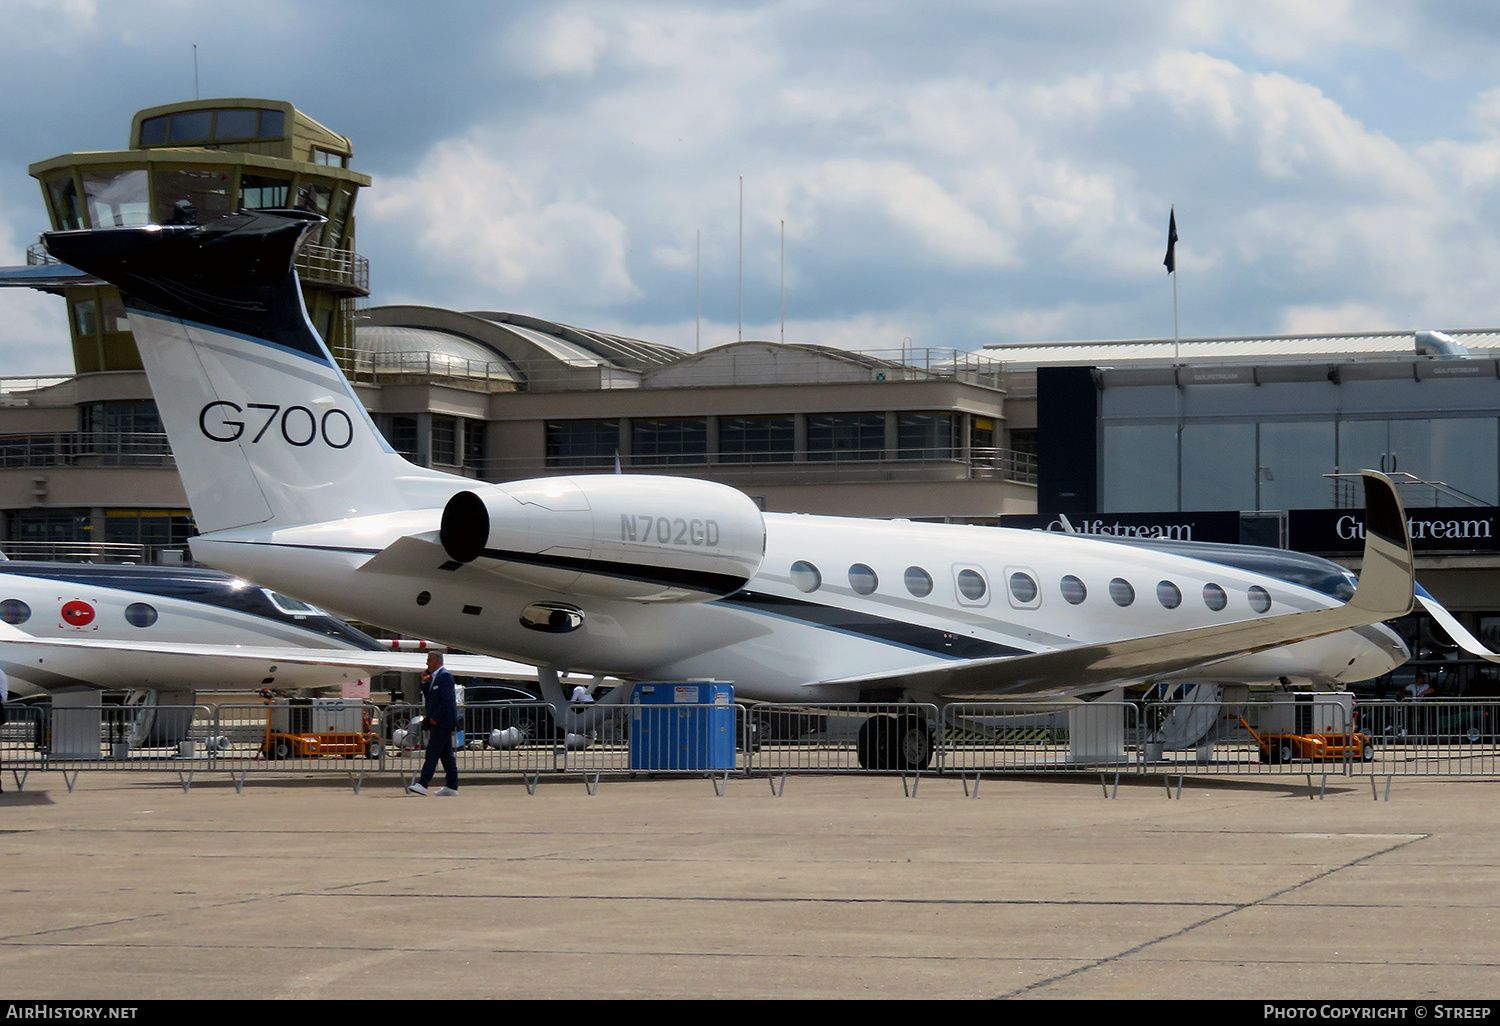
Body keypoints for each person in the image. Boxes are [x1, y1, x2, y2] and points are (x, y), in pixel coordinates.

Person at [409, 652, 458, 796]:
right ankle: (452, 786)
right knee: (446, 755)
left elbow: (447, 700)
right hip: (437, 721)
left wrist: (436, 717)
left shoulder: (445, 676)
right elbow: (430, 697)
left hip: (443, 722)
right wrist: (425, 683)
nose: (427, 664)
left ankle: (423, 783)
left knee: (432, 752)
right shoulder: (434, 678)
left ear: (438, 661)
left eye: (429, 660)